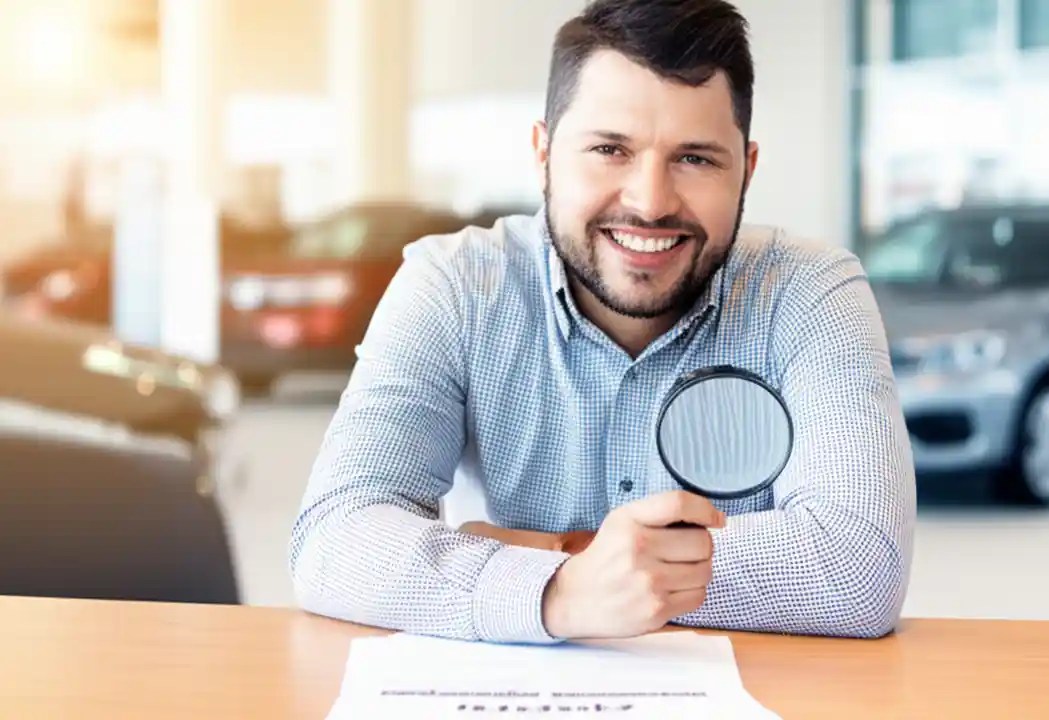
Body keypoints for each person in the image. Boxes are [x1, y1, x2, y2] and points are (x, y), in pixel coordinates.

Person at [290, 0, 915, 644]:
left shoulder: (810, 292)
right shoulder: (453, 286)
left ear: (746, 171)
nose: (649, 201)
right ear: (544, 154)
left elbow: (857, 569)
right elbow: (335, 537)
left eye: (696, 158)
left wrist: (555, 553)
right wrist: (561, 595)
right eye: (610, 149)